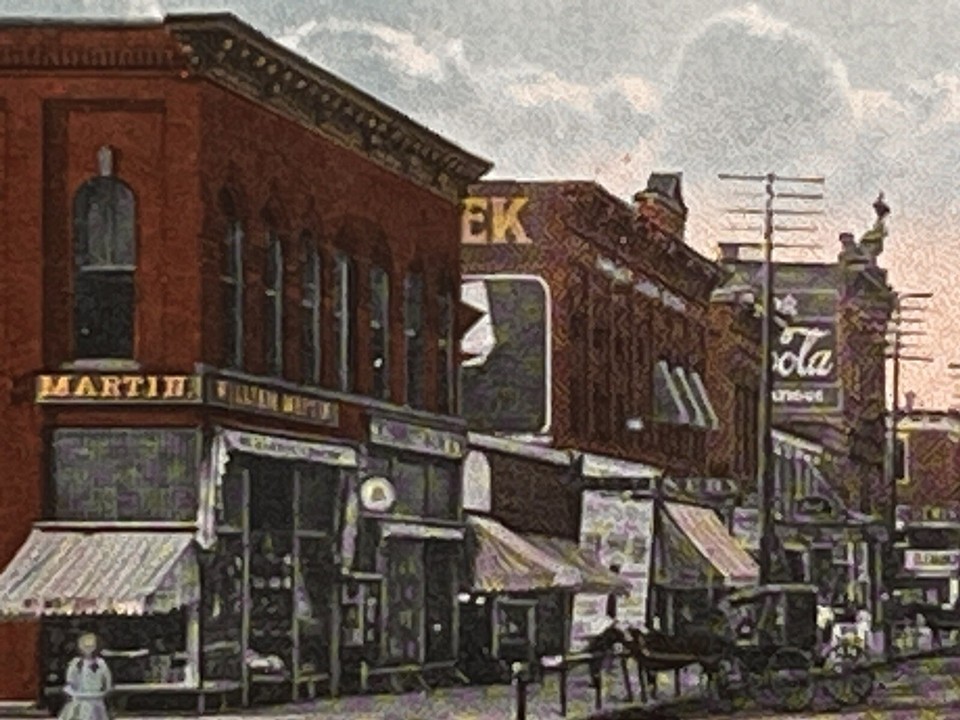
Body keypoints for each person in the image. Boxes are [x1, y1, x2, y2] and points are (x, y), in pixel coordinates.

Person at [59, 633, 112, 720]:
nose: (88, 649)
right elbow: (69, 680)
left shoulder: (100, 663)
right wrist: (73, 692)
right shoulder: (75, 663)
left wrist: (103, 691)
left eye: (91, 646)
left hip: (95, 698)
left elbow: (107, 680)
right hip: (79, 698)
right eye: (85, 646)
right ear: (80, 647)